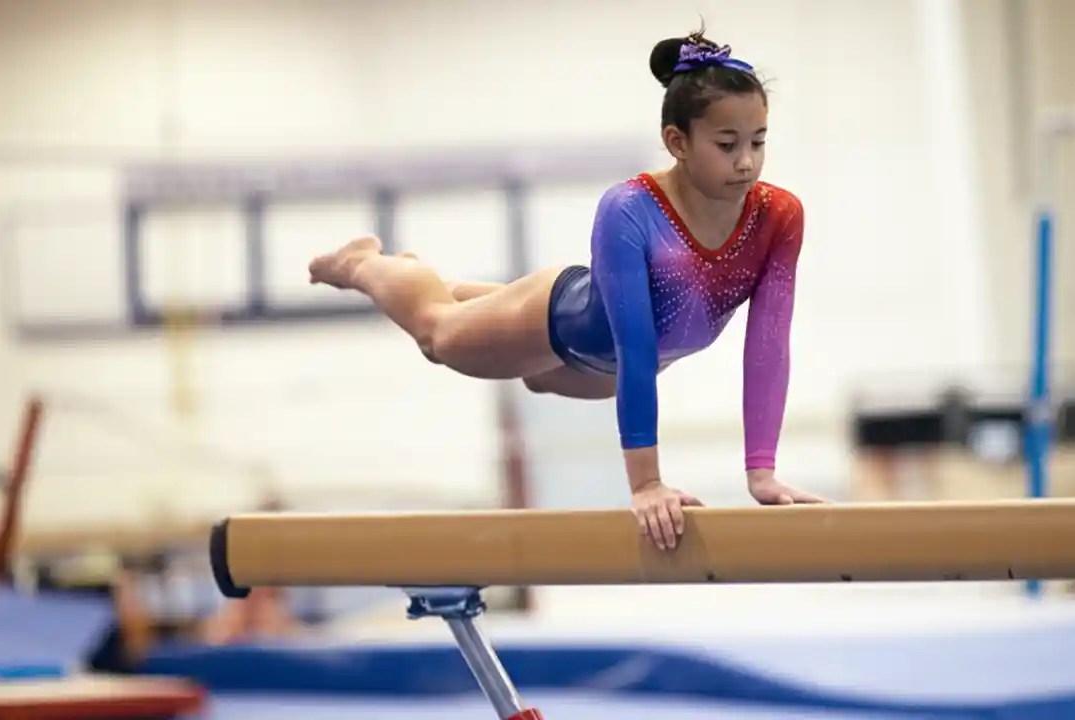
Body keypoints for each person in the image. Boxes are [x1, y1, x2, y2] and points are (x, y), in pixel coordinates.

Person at [308, 28, 825, 553]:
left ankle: (450, 287)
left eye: (758, 141)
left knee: (538, 382)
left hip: (606, 373)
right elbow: (636, 348)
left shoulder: (778, 215)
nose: (746, 162)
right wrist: (646, 483)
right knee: (437, 336)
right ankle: (364, 264)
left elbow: (768, 343)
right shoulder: (630, 208)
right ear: (677, 142)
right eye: (726, 144)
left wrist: (762, 473)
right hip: (563, 326)